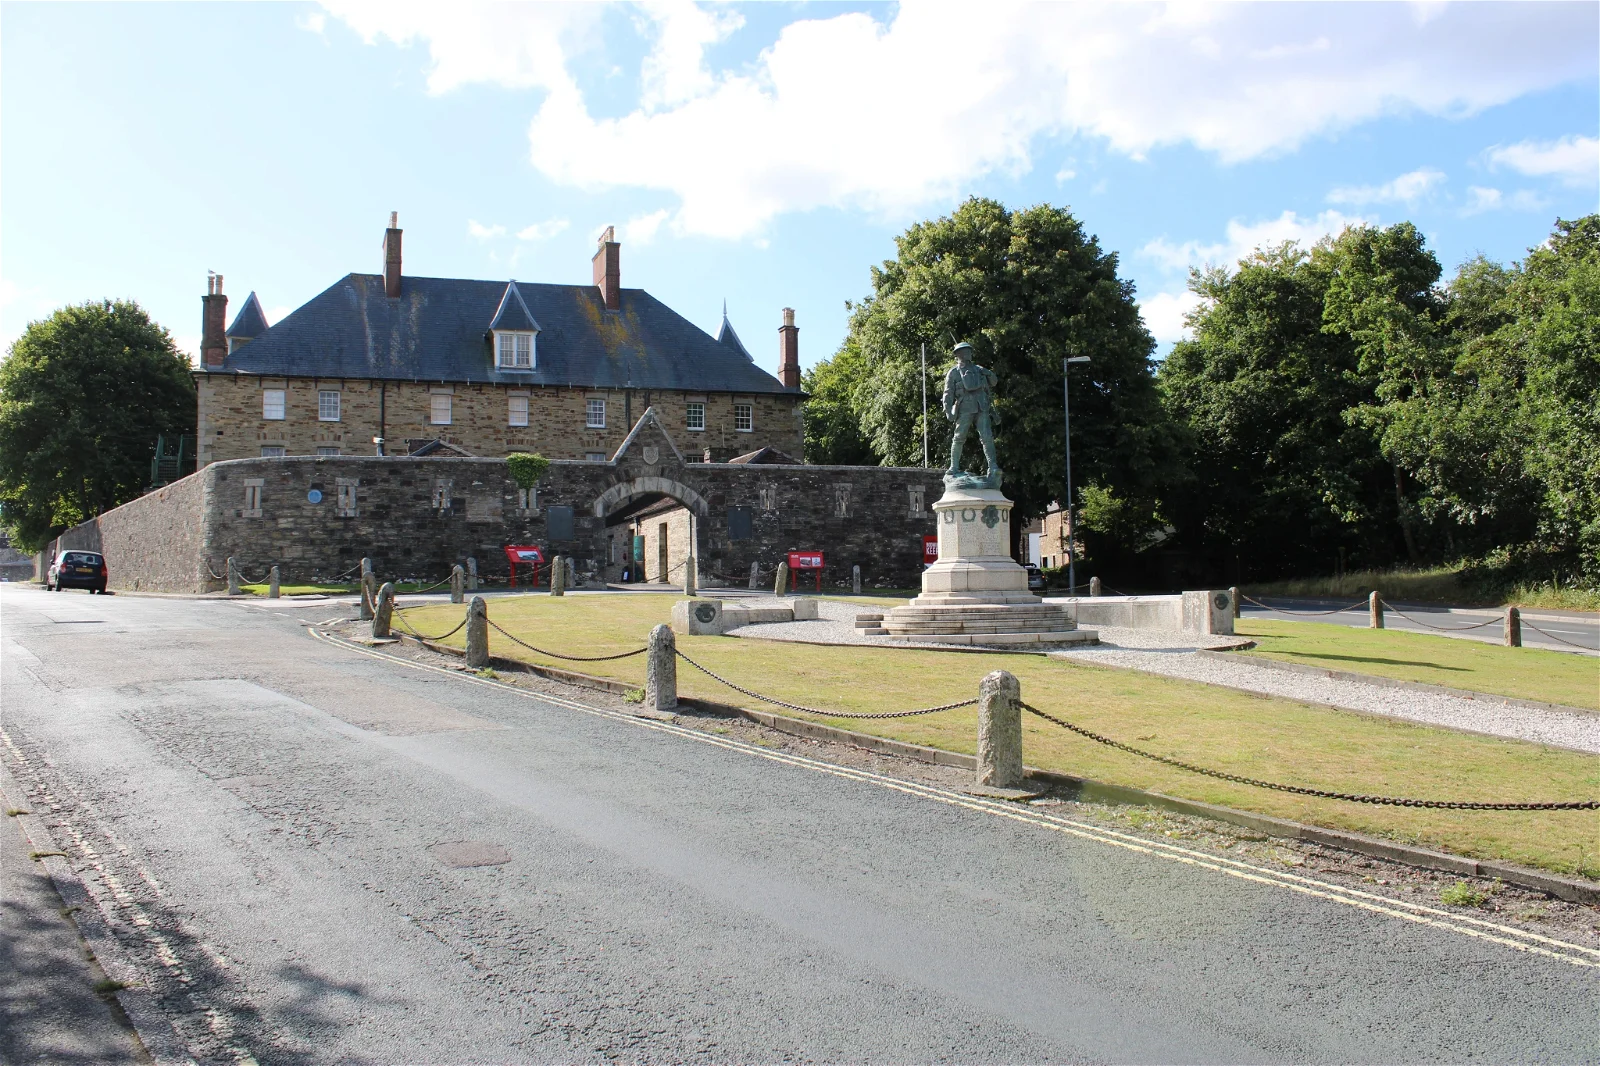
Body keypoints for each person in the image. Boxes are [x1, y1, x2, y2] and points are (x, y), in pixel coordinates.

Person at [943, 341, 1000, 484]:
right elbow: (948, 394)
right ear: (958, 354)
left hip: (981, 407)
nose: (969, 353)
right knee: (959, 437)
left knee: (987, 437)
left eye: (969, 351)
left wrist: (988, 372)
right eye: (966, 351)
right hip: (964, 408)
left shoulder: (978, 369)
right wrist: (948, 410)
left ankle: (993, 466)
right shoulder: (954, 372)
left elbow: (993, 382)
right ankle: (954, 467)